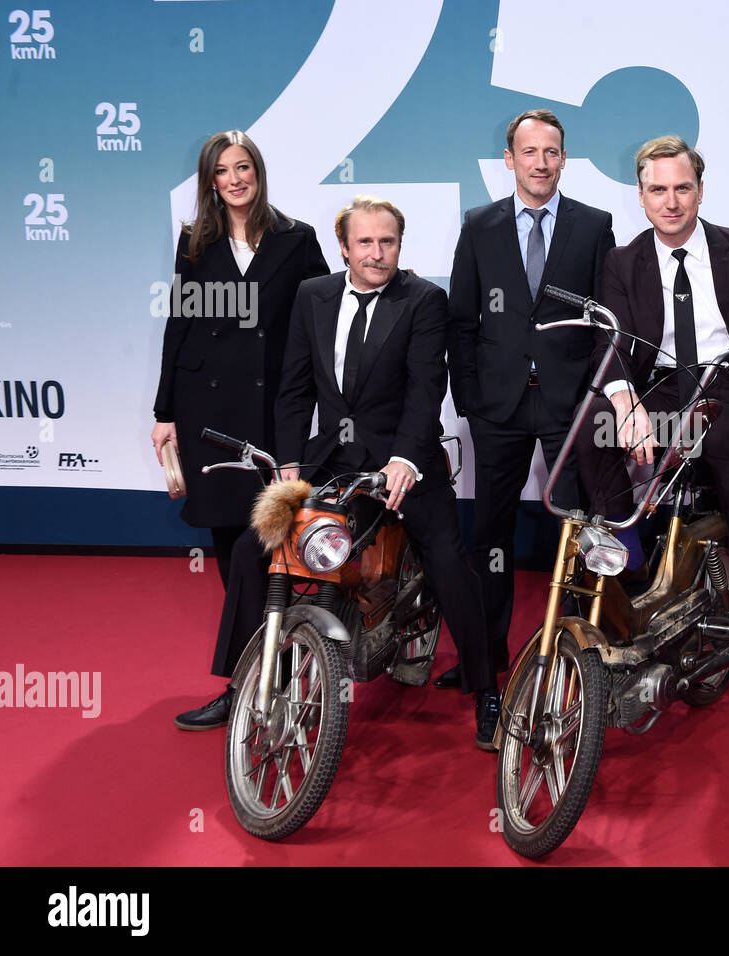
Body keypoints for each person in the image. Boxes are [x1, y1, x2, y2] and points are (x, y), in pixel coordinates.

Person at [181, 195, 498, 749]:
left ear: (399, 245)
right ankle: (245, 684)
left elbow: (426, 389)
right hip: (330, 457)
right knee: (256, 549)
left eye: (387, 242)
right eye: (365, 242)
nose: (377, 253)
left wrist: (404, 460)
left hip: (405, 458)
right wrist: (288, 463)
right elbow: (295, 388)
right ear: (344, 248)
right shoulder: (314, 295)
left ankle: (487, 688)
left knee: (449, 562)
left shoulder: (424, 300)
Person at [573, 135, 729, 696]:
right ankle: (625, 550)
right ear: (641, 196)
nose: (670, 201)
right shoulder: (622, 261)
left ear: (700, 190)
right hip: (662, 392)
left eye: (682, 188)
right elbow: (612, 342)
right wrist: (625, 402)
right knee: (591, 424)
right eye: (658, 190)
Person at [157, 130, 329, 727]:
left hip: (271, 411)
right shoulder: (196, 243)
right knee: (231, 549)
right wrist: (163, 414)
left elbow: (326, 311)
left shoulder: (296, 238)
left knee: (260, 549)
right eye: (223, 170)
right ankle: (261, 679)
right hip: (207, 413)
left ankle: (252, 682)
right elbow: (179, 325)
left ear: (258, 172)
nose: (235, 179)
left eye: (244, 167)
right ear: (211, 181)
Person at [446, 109, 615, 692]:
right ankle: (486, 660)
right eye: (529, 152)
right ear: (509, 159)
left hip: (570, 404)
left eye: (551, 152)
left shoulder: (594, 225)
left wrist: (597, 395)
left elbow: (605, 321)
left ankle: (580, 659)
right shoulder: (479, 225)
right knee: (489, 536)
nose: (540, 163)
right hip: (499, 406)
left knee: (580, 529)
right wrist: (470, 399)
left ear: (563, 158)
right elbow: (462, 320)